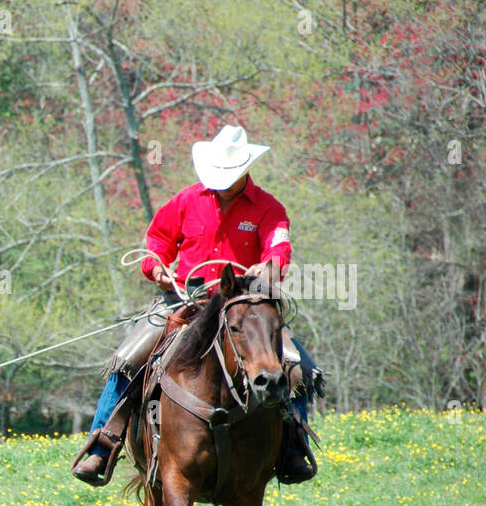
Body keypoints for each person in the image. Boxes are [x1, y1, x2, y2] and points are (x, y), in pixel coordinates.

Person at [72, 124, 321, 487]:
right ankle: (103, 443)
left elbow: (279, 250)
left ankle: (293, 448)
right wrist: (155, 266)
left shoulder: (269, 208)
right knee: (127, 359)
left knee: (298, 366)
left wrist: (267, 268)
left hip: (245, 305)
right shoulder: (187, 200)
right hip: (185, 300)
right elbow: (157, 239)